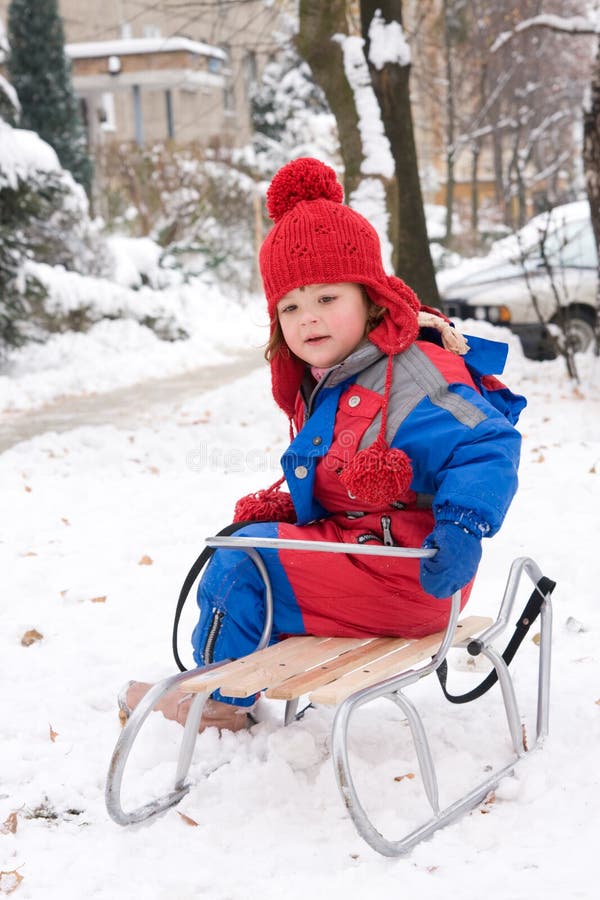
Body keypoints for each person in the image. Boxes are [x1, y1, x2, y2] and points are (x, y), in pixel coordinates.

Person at [122, 158, 525, 733]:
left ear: (370, 296)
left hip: (413, 576)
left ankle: (217, 700)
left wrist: (462, 523)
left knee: (245, 564)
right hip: (369, 558)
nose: (307, 319)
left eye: (327, 298)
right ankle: (234, 675)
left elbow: (489, 443)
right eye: (290, 306)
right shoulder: (337, 379)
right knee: (248, 542)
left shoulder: (414, 374)